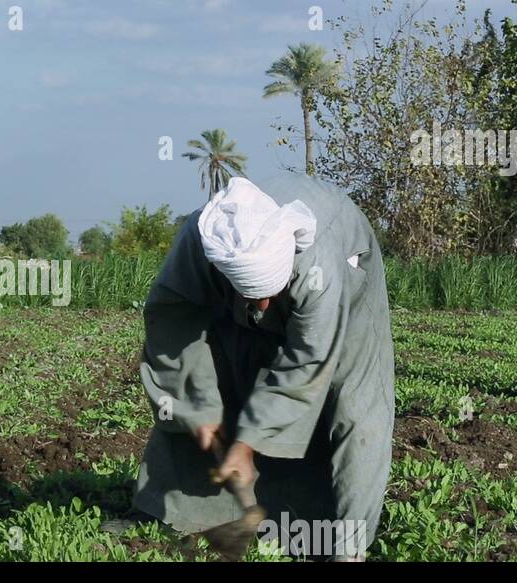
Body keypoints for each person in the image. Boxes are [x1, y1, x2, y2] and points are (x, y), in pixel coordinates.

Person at [133, 173, 394, 560]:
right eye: (255, 298)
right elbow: (172, 322)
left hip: (347, 276)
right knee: (218, 382)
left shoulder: (320, 269)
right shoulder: (201, 240)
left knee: (357, 414)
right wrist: (198, 410)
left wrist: (250, 441)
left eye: (270, 296)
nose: (265, 309)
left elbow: (307, 362)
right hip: (234, 290)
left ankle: (345, 547)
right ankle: (188, 516)